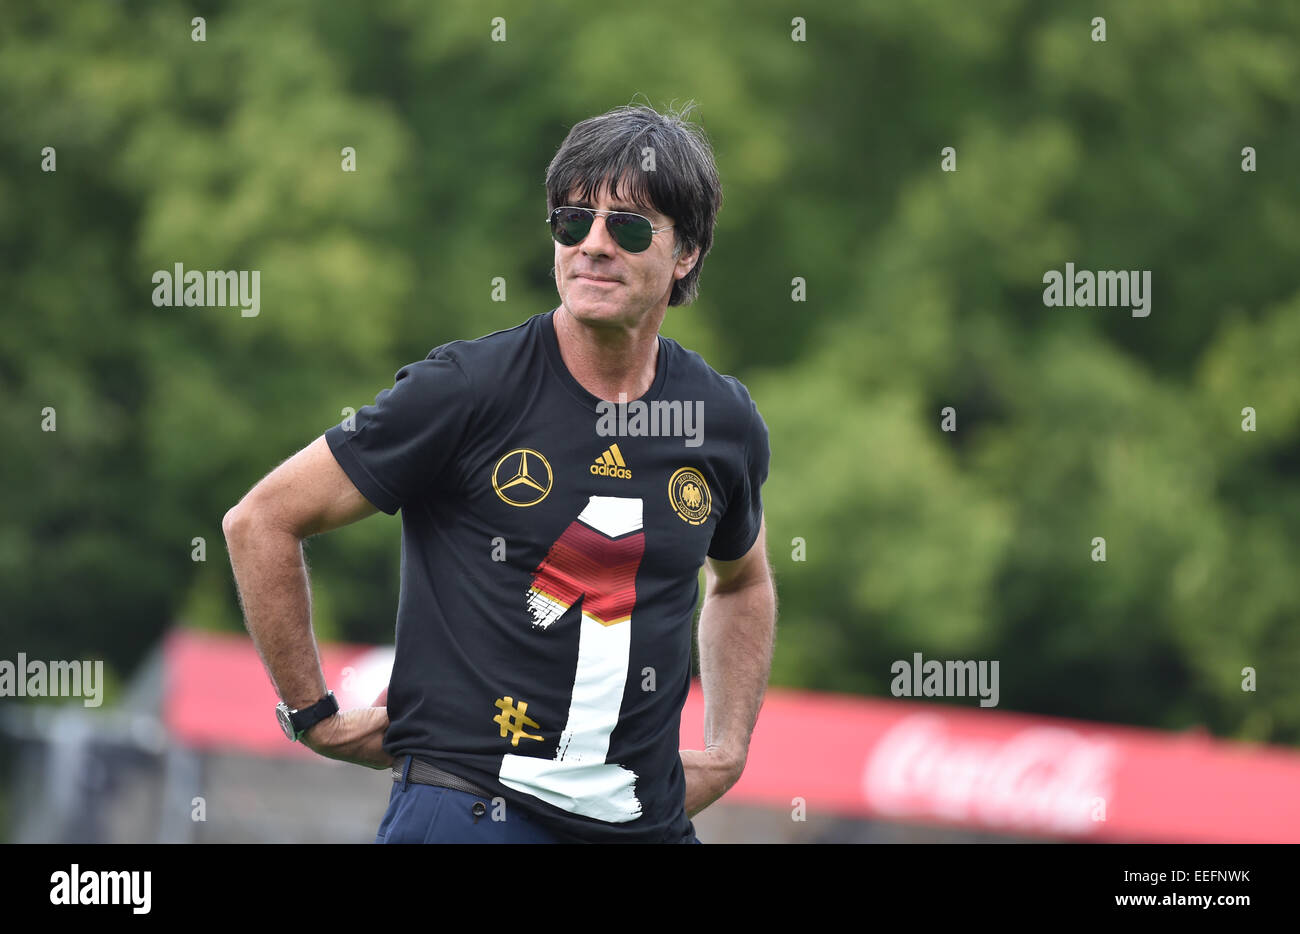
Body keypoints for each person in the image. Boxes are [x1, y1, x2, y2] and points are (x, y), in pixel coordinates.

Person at [222, 102, 776, 843]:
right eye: (572, 221)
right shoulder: (466, 388)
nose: (594, 245)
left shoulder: (722, 420)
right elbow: (260, 520)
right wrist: (311, 713)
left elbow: (743, 580)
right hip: (469, 811)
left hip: (644, 826)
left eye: (630, 226)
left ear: (686, 255)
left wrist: (730, 749)